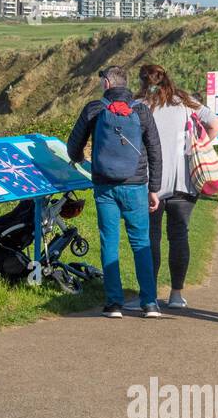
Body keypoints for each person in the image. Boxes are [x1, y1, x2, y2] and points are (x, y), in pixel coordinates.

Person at [67, 64, 163, 319]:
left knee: (109, 241)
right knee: (141, 242)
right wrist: (154, 189)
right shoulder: (141, 111)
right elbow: (155, 150)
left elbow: (74, 145)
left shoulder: (95, 109)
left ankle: (114, 304)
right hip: (136, 185)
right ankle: (150, 303)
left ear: (107, 83)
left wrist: (78, 159)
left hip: (105, 186)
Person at [134, 64, 218, 309]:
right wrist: (199, 147)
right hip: (184, 181)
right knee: (179, 235)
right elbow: (215, 124)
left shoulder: (139, 103)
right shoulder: (185, 100)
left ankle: (148, 296)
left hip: (151, 183)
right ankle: (176, 294)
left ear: (142, 81)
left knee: (151, 238)